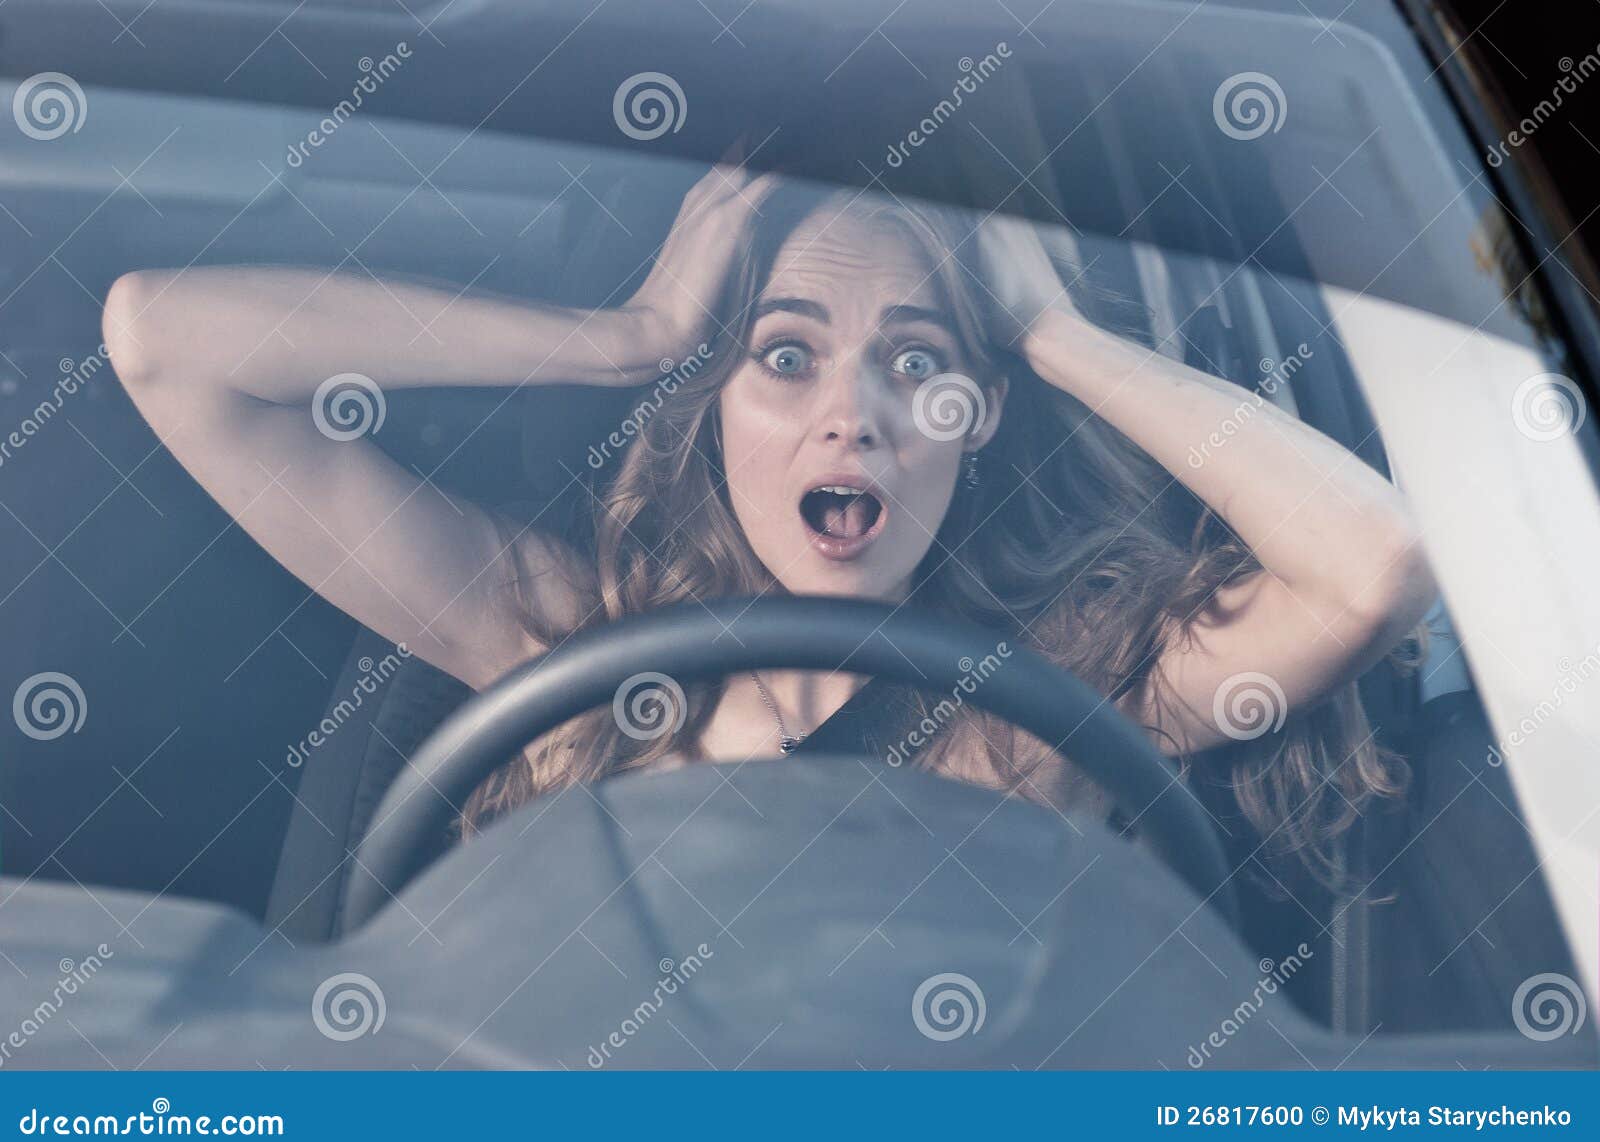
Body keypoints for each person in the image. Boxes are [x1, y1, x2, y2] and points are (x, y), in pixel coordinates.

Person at [101, 156, 1435, 882]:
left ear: (978, 422)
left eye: (917, 364)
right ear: (710, 407)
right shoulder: (569, 637)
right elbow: (167, 344)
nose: (851, 415)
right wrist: (623, 338)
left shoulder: (1062, 692)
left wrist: (1051, 334)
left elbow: (1371, 566)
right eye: (786, 356)